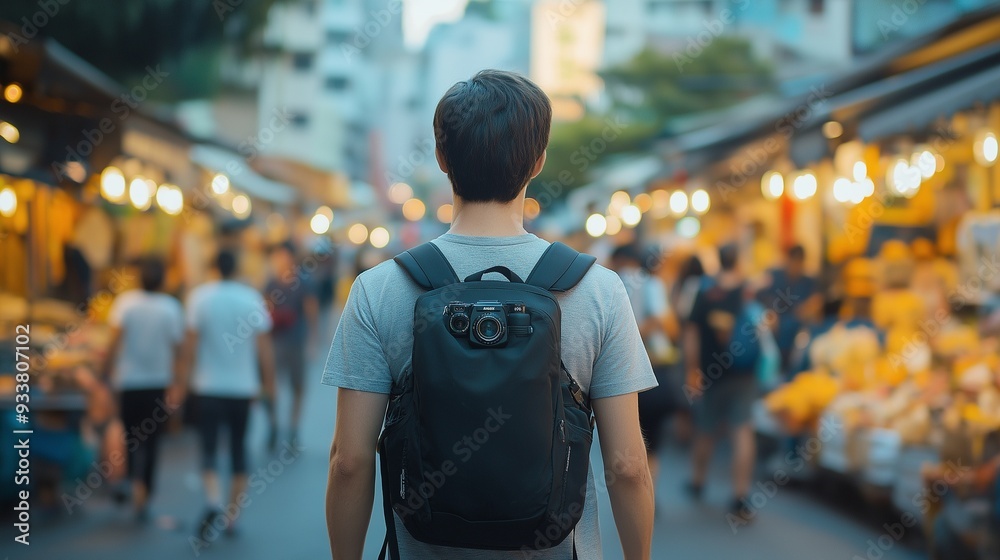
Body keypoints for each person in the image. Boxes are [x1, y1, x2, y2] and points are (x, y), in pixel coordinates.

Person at [323, 70, 656, 560]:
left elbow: (349, 462)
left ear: (441, 158)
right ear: (539, 161)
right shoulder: (597, 289)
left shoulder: (379, 289)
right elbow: (627, 465)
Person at [178, 250, 276, 539]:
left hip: (207, 387)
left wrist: (181, 383)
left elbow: (189, 347)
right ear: (236, 267)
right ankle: (231, 517)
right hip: (242, 389)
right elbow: (265, 350)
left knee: (208, 448)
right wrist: (269, 385)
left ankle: (212, 501)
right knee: (238, 449)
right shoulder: (251, 299)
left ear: (213, 267)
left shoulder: (199, 298)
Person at [102, 256, 184, 521]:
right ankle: (144, 491)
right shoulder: (171, 308)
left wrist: (105, 371)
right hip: (157, 383)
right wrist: (178, 383)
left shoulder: (126, 303)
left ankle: (128, 481)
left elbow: (113, 342)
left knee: (128, 436)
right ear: (162, 280)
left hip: (128, 382)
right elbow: (177, 350)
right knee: (152, 441)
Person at [684, 243, 758, 522]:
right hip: (744, 372)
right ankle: (740, 495)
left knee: (706, 428)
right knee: (742, 430)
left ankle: (698, 480)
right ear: (738, 260)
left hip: (712, 372)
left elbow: (691, 333)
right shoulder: (748, 291)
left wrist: (692, 370)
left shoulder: (705, 291)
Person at [610, 243, 679, 498]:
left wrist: (632, 334)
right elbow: (670, 326)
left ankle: (638, 494)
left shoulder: (615, 283)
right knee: (651, 443)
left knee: (627, 441)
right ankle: (648, 494)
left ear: (623, 260)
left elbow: (663, 322)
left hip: (625, 372)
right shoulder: (651, 284)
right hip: (654, 371)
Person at [264, 241, 319, 447]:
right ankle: (274, 424)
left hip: (296, 341)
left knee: (297, 387)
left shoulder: (304, 282)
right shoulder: (271, 282)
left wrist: (312, 342)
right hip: (274, 341)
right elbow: (263, 308)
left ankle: (293, 428)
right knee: (271, 385)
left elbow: (311, 311)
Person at [758, 245, 820, 375]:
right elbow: (762, 297)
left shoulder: (808, 282)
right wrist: (770, 314)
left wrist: (809, 307)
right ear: (788, 260)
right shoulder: (775, 276)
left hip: (798, 328)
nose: (796, 267)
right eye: (794, 262)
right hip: (777, 325)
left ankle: (794, 372)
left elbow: (815, 303)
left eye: (799, 263)